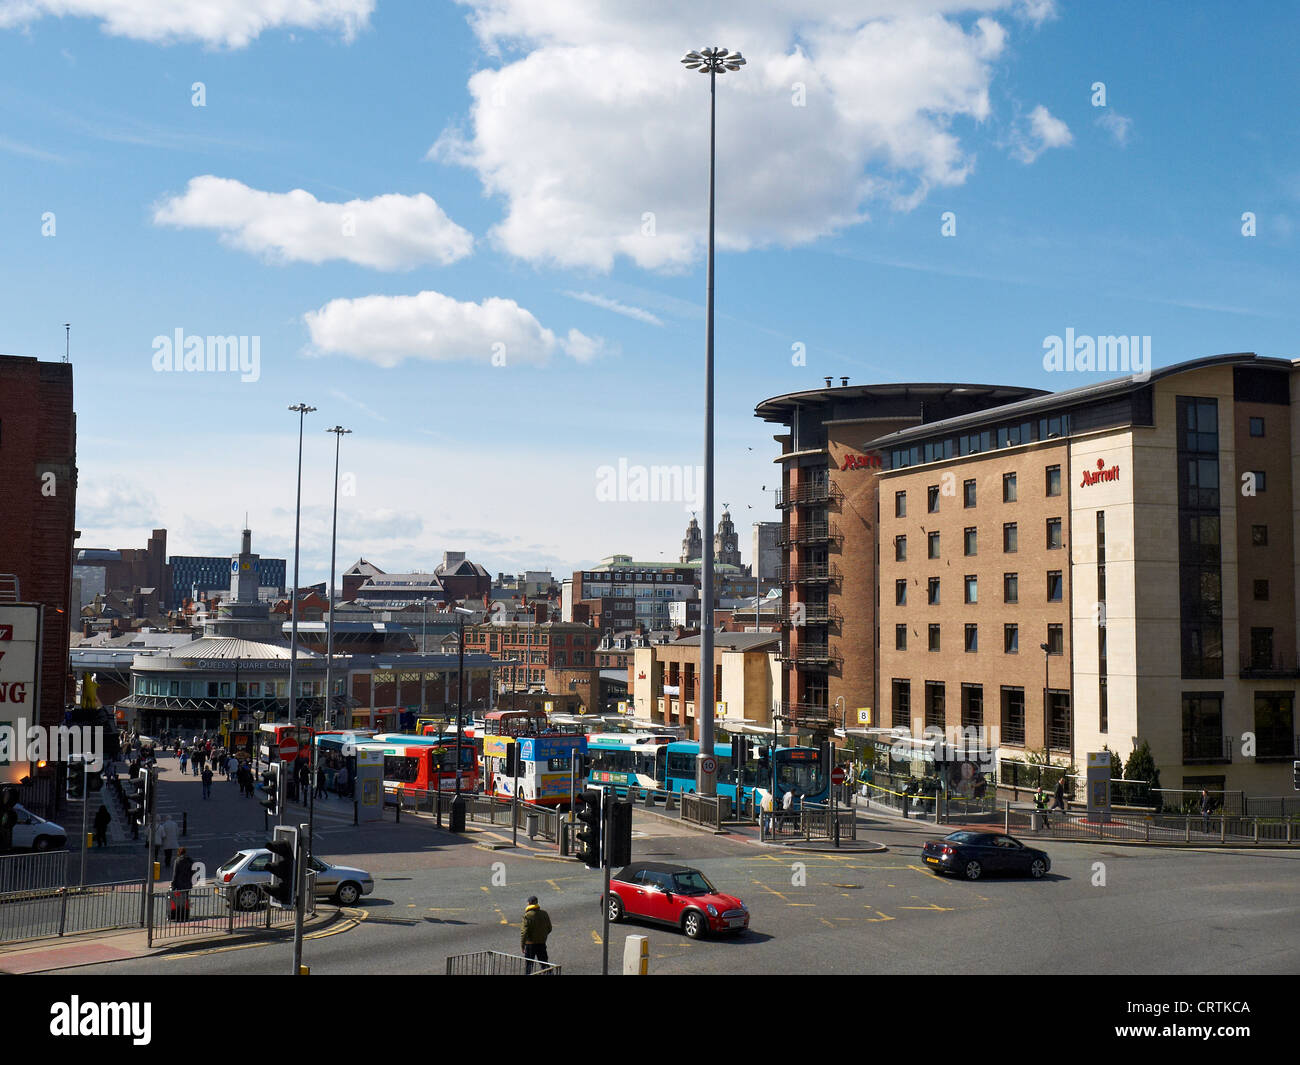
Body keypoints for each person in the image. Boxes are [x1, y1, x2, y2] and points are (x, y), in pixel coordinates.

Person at [520, 895, 552, 972]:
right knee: (544, 963)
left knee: (529, 964)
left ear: (528, 904)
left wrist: (522, 945)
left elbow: (524, 932)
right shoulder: (544, 913)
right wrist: (542, 936)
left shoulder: (527, 915)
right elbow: (549, 928)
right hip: (541, 943)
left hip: (530, 944)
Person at [170, 847, 195, 922]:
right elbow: (193, 871)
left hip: (179, 884)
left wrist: (173, 884)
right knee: (185, 899)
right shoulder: (190, 860)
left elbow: (175, 874)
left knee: (178, 900)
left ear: (179, 852)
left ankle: (178, 915)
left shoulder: (177, 861)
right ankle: (185, 914)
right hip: (187, 883)